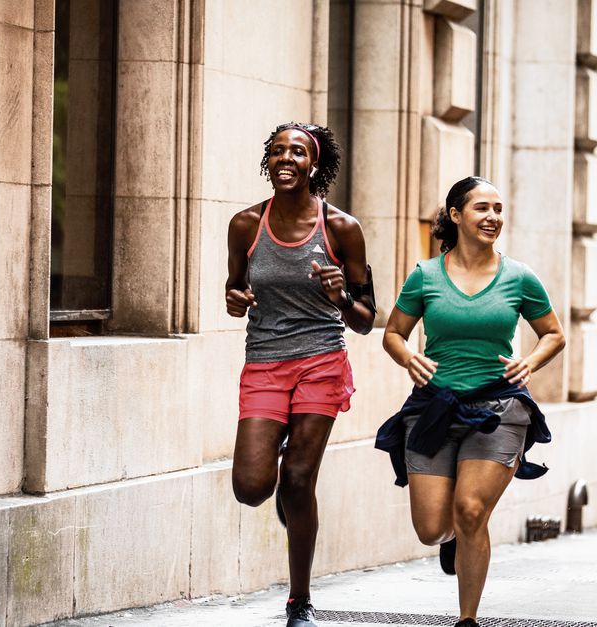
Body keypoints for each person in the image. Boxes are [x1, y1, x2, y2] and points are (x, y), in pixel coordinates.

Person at [375, 176, 566, 627]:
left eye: (498, 208)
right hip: (434, 407)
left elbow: (554, 334)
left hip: (499, 409)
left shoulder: (520, 277)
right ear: (456, 215)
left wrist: (530, 362)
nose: (493, 217)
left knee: (471, 510)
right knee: (430, 528)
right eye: (482, 208)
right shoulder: (426, 275)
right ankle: (454, 539)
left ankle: (467, 618)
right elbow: (393, 333)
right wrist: (409, 358)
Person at [225, 122, 375, 627]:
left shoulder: (341, 229)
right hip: (265, 362)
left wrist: (341, 297)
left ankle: (300, 600)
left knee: (298, 478)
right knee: (250, 487)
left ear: (315, 165)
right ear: (267, 162)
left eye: (297, 152)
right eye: (276, 151)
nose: (285, 158)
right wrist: (234, 300)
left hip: (320, 361)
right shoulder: (246, 225)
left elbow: (366, 318)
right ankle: (290, 482)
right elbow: (234, 291)